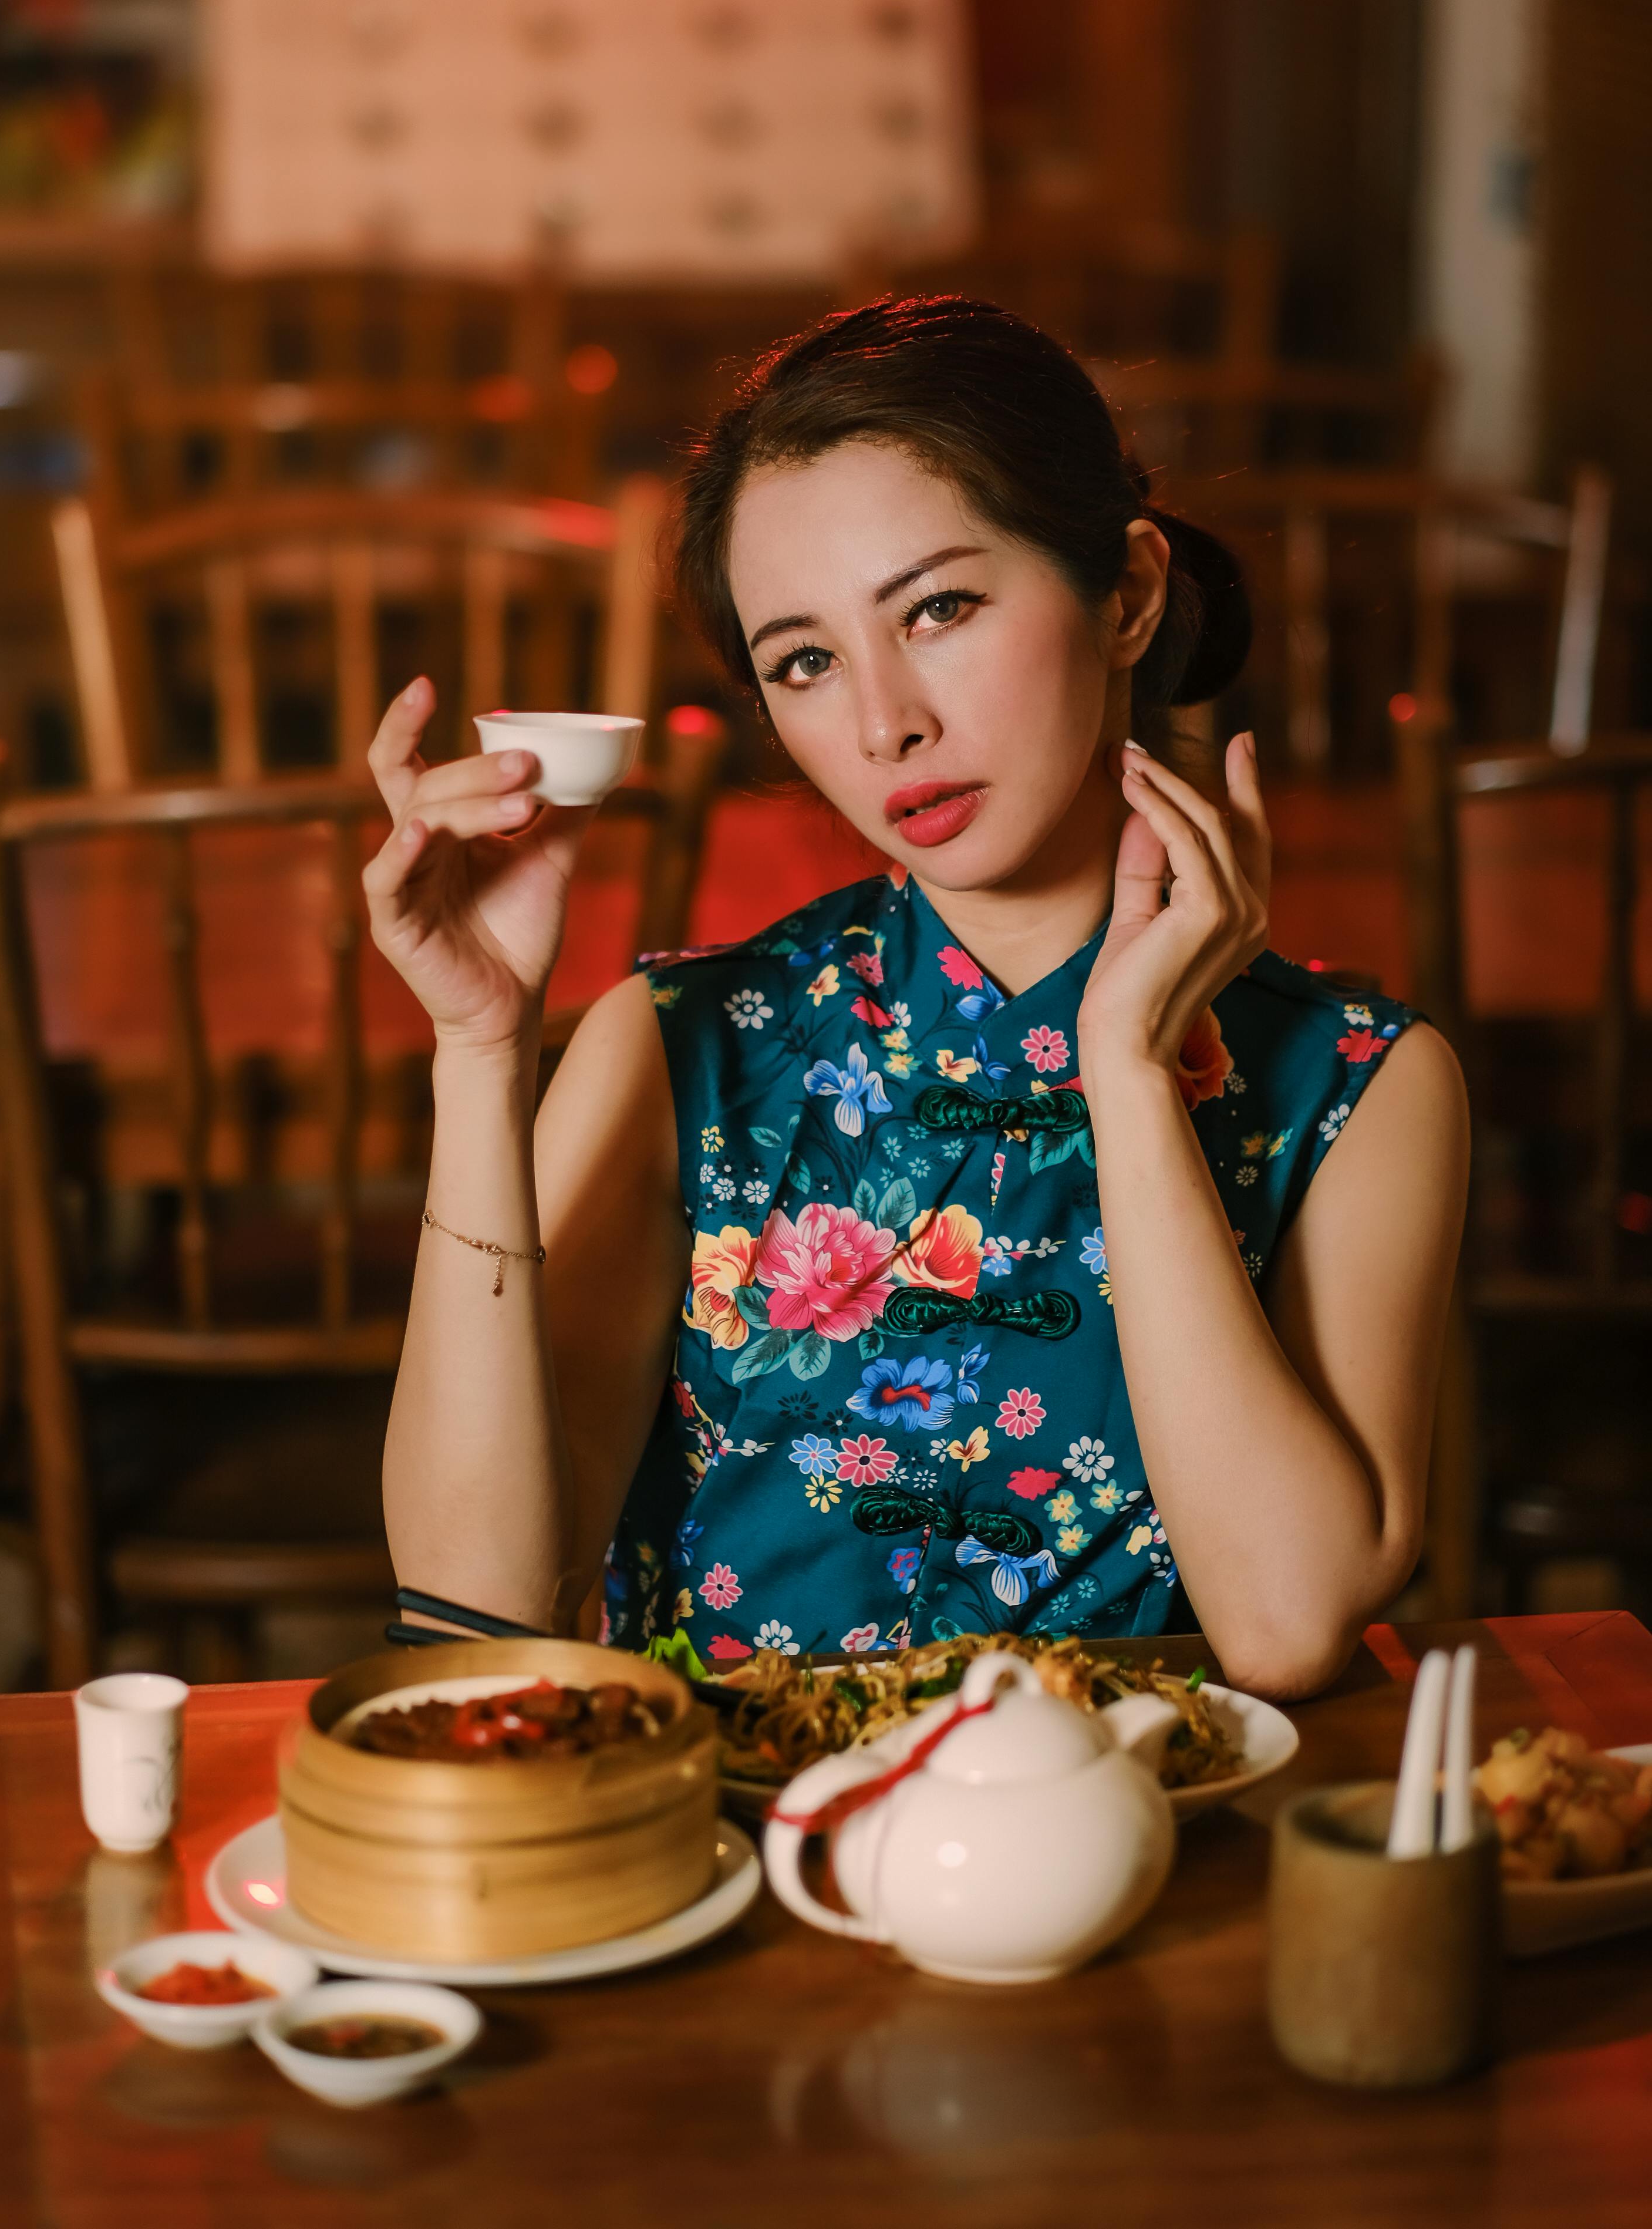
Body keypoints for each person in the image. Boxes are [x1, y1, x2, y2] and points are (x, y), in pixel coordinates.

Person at [365, 297, 1468, 1698]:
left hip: (1149, 1876)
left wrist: (1126, 1072)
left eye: (938, 608)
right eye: (806, 661)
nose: (884, 720)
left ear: (1124, 594)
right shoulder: (684, 1048)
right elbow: (479, 1621)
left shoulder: (1358, 1086)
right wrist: (478, 1047)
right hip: (739, 1866)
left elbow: (1285, 1626)